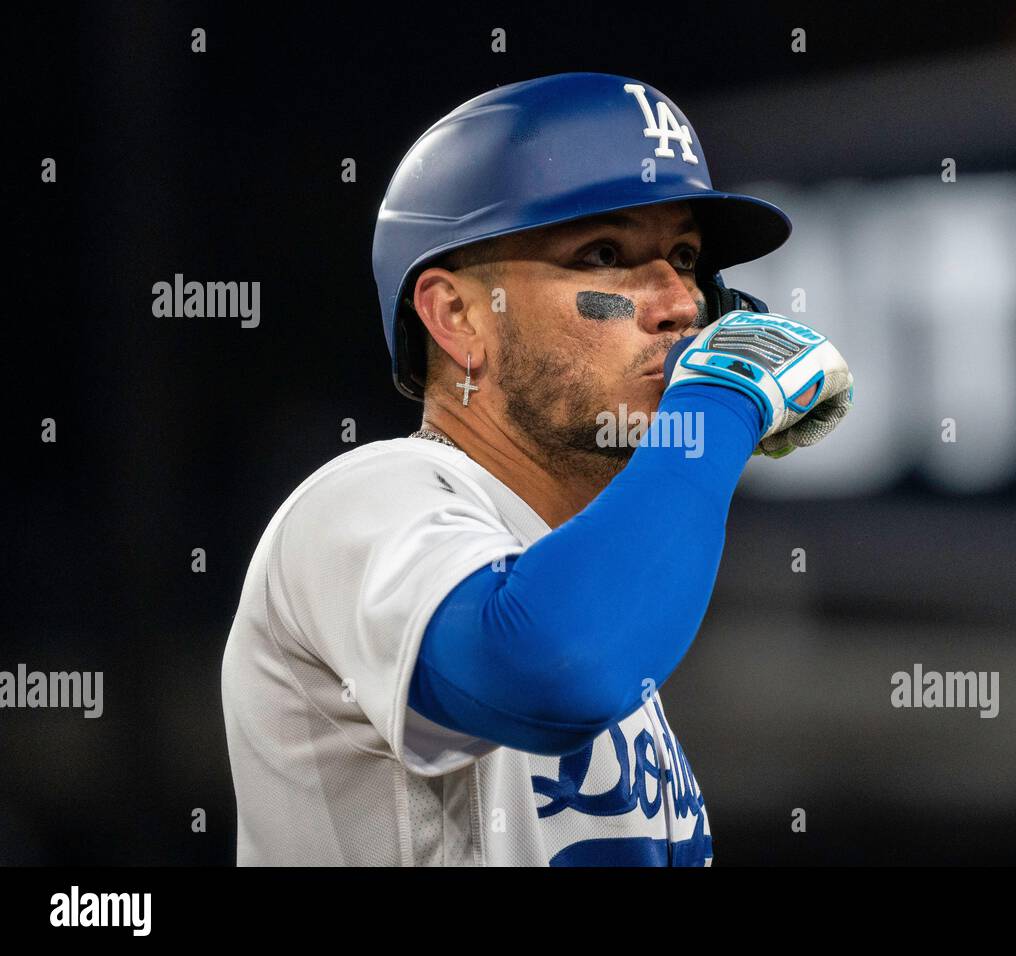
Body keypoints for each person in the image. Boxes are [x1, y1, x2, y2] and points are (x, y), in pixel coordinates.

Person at [220, 72, 853, 866]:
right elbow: (549, 669)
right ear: (457, 318)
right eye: (606, 254)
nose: (681, 304)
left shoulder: (590, 579)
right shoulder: (367, 501)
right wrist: (713, 417)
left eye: (685, 257)